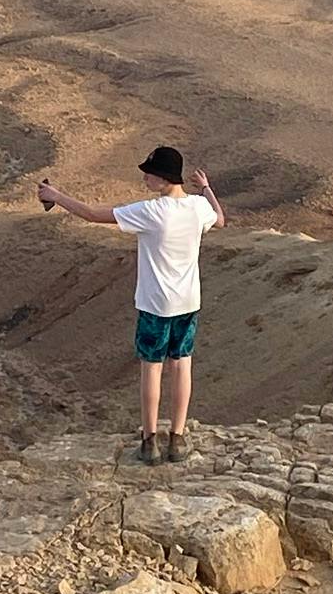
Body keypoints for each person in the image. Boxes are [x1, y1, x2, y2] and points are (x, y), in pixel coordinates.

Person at [39, 141, 223, 463]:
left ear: (164, 178)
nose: (145, 180)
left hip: (155, 305)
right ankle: (177, 439)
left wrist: (57, 197)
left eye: (149, 174)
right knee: (182, 366)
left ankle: (149, 440)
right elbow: (220, 219)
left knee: (151, 370)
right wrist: (206, 189)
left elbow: (95, 215)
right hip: (188, 302)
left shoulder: (151, 212)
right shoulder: (196, 208)